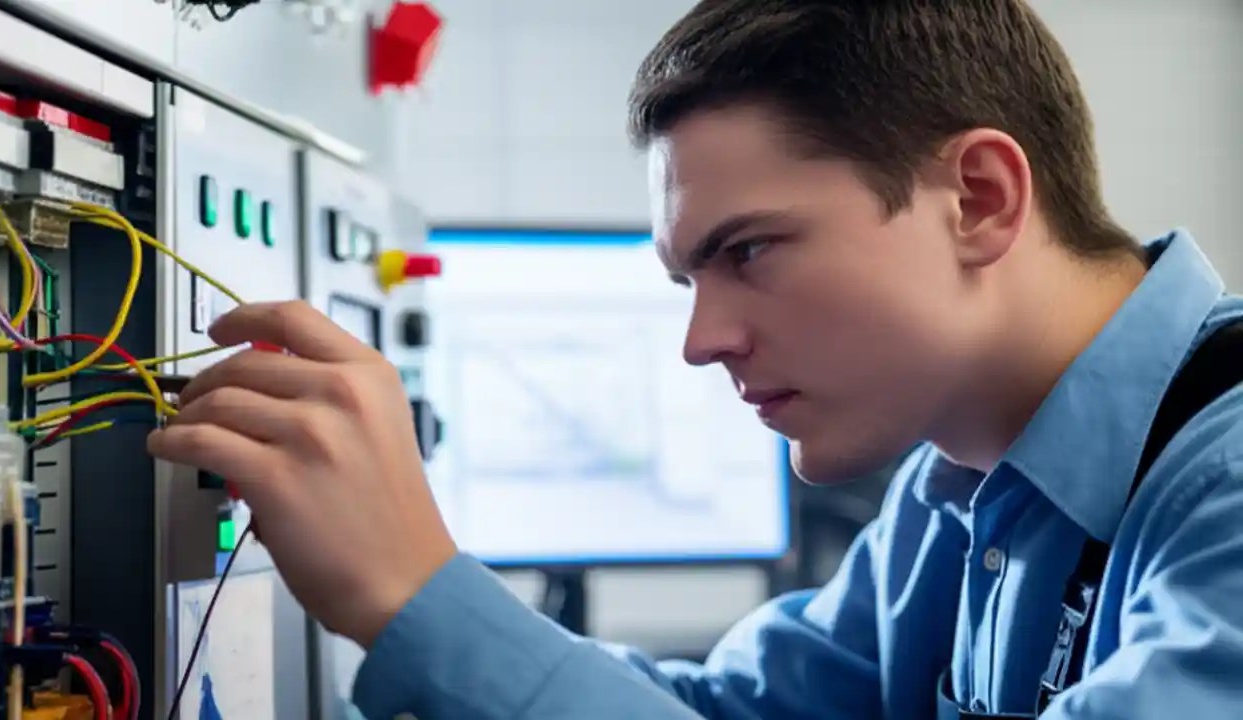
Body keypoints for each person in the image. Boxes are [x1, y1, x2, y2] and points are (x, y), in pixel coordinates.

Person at [147, 0, 1243, 717]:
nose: (699, 340)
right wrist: (411, 598)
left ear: (978, 201)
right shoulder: (950, 499)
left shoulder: (1223, 483)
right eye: (686, 279)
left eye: (749, 250)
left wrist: (413, 595)